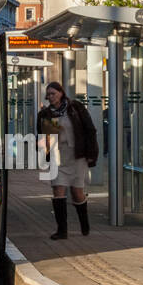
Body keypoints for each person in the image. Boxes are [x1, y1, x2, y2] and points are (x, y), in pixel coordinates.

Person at [36, 81, 98, 239]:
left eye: (53, 94)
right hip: (58, 155)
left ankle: (84, 224)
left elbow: (90, 129)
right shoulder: (45, 114)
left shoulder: (75, 107)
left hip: (77, 155)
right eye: (48, 94)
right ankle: (62, 230)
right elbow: (43, 137)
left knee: (77, 192)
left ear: (61, 93)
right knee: (58, 189)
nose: (50, 97)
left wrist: (92, 153)